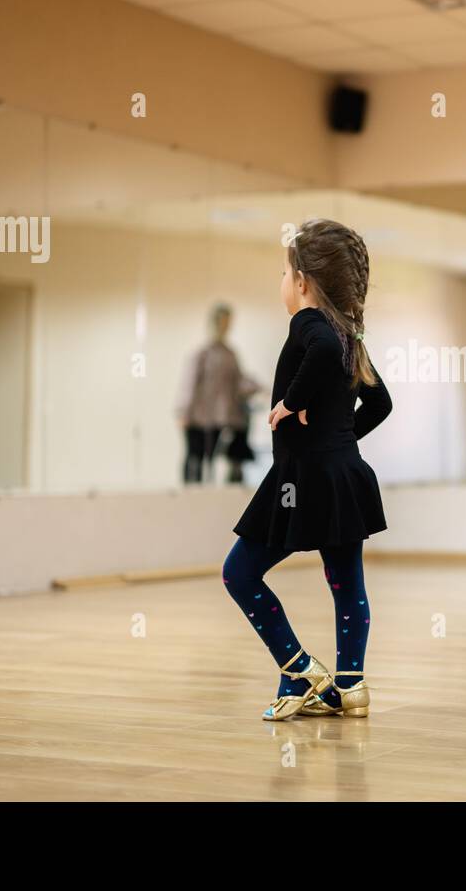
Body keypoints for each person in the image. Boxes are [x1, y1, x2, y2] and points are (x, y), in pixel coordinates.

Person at [222, 219, 392, 721]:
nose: (282, 281)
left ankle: (297, 667)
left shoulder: (311, 326)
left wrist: (286, 405)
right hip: (343, 476)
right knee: (345, 584)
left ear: (302, 282)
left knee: (240, 572)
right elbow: (380, 404)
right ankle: (350, 685)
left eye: (284, 271)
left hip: (301, 480)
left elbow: (316, 353)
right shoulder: (349, 335)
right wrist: (337, 444)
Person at [176, 304, 258, 485]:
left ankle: (233, 486)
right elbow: (188, 385)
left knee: (233, 450)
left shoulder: (230, 355)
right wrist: (184, 412)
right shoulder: (202, 354)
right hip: (200, 417)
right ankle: (192, 493)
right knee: (196, 456)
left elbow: (239, 381)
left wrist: (259, 387)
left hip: (224, 417)